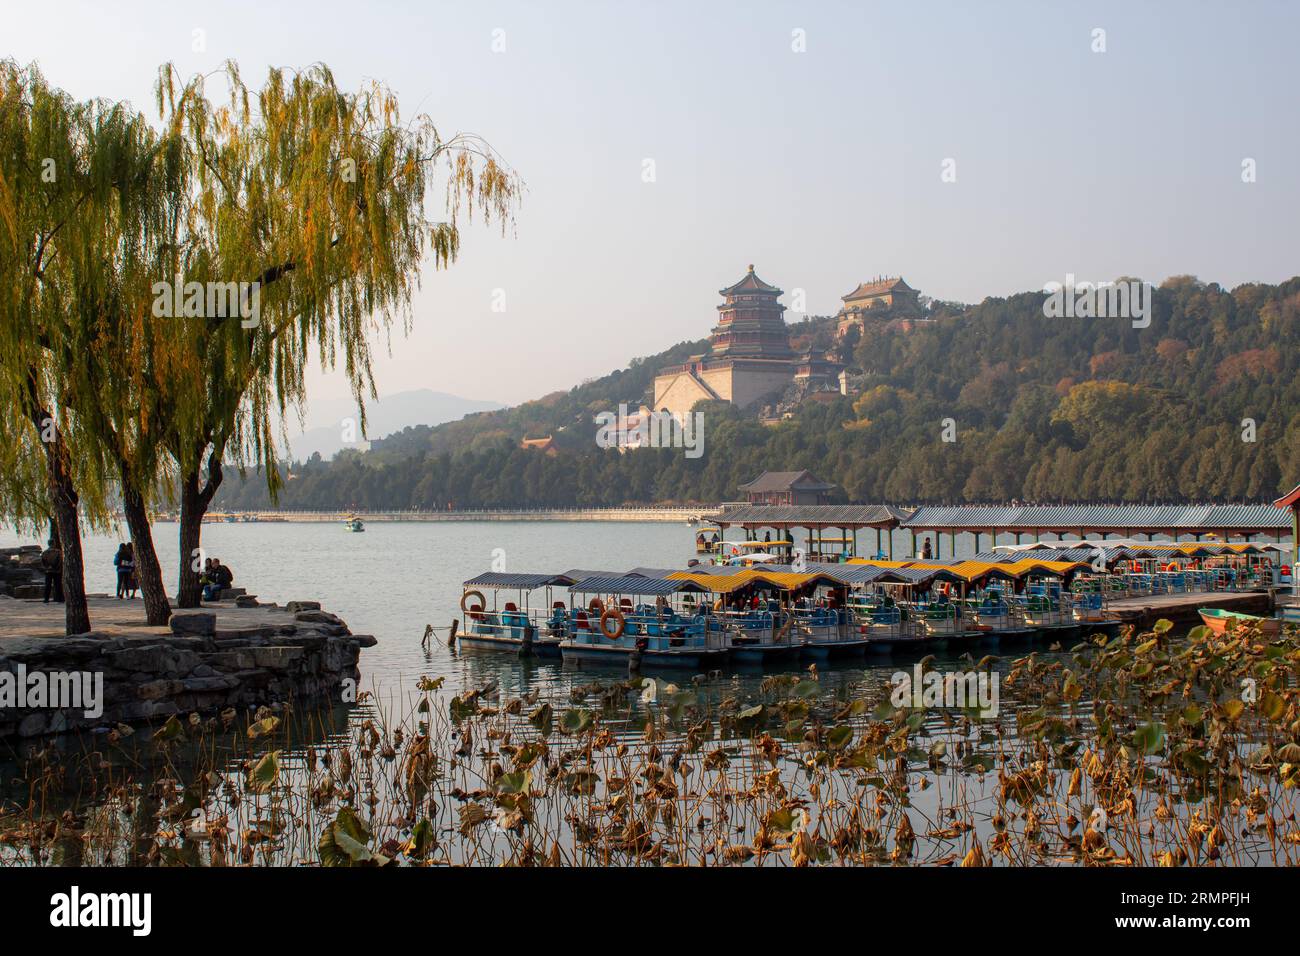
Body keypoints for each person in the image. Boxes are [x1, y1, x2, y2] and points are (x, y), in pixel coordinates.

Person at [41, 537, 63, 603]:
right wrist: (56, 567)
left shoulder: (44, 553)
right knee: (58, 585)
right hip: (56, 571)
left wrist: (47, 567)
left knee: (48, 585)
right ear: (54, 543)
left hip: (48, 571)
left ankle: (46, 599)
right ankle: (60, 599)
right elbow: (60, 561)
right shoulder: (58, 552)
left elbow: (43, 562)